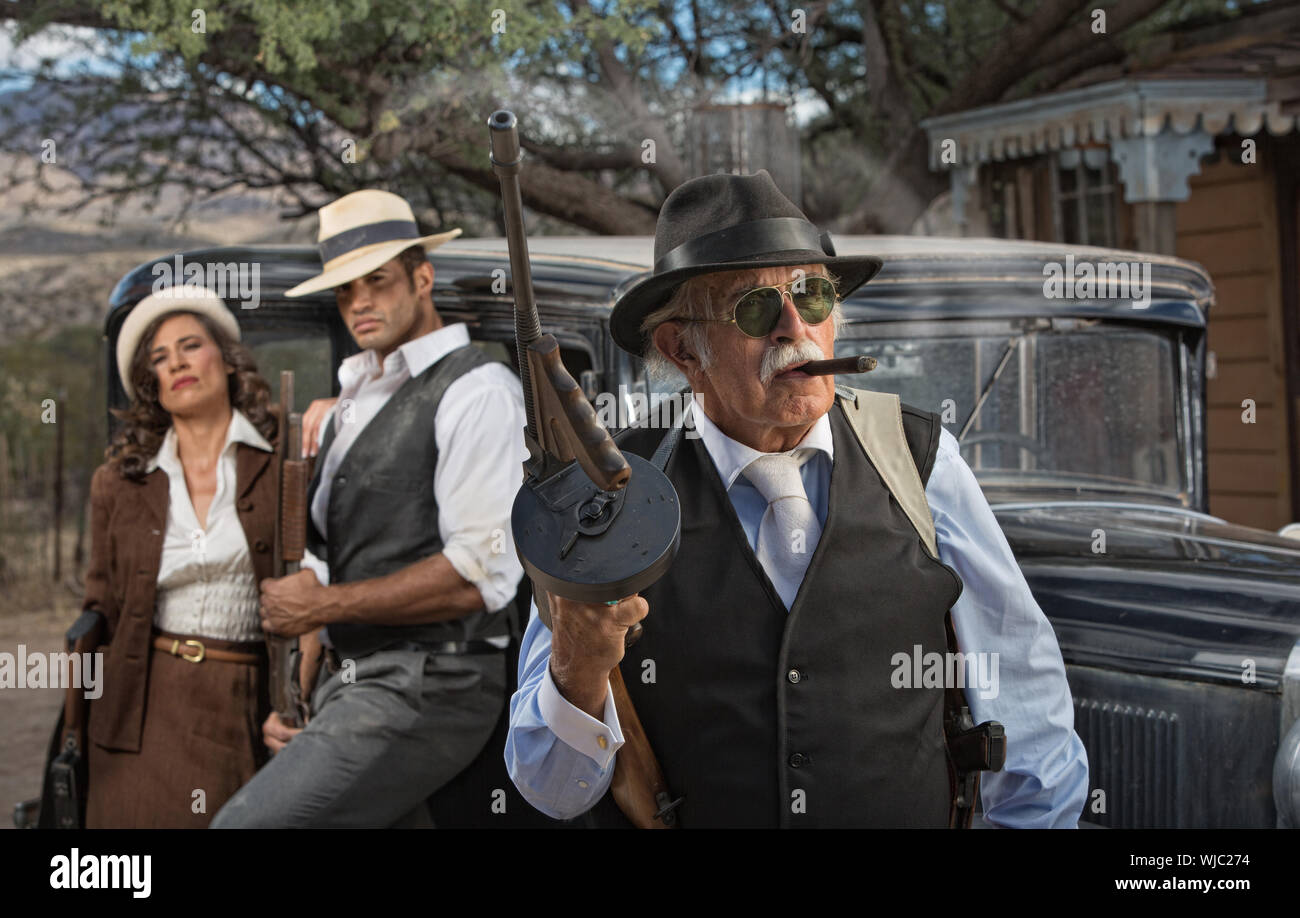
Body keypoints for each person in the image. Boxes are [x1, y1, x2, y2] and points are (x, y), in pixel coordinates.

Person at [505, 170, 1089, 828]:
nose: (794, 328)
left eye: (811, 296)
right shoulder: (612, 494)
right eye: (754, 308)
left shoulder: (919, 460)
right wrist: (577, 666)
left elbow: (1027, 701)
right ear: (682, 348)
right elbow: (551, 788)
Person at [211, 189, 527, 828]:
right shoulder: (352, 401)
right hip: (353, 681)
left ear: (422, 277)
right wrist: (302, 690)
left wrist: (321, 608)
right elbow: (333, 559)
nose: (359, 302)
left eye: (377, 282)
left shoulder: (478, 391)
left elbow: (480, 577)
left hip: (436, 680)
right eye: (345, 289)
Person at [82, 285, 279, 828]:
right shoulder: (118, 483)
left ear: (226, 358)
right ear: (152, 385)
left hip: (250, 697)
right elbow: (99, 609)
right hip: (147, 700)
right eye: (161, 359)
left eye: (190, 346)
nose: (178, 364)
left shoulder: (284, 458)